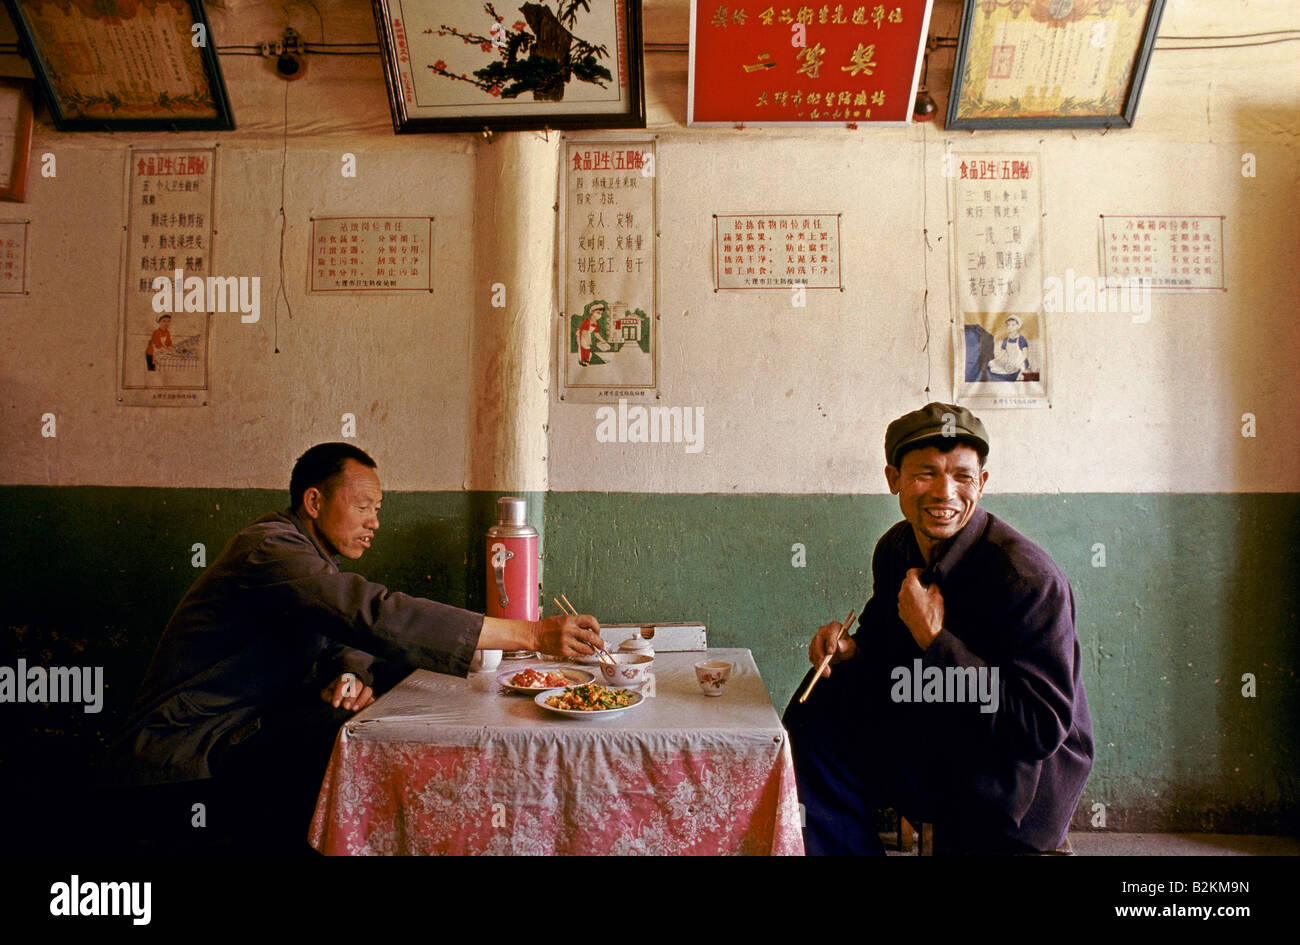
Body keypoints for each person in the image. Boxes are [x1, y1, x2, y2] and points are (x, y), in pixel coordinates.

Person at [111, 442, 603, 853]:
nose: (374, 522)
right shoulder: (269, 550)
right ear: (313, 501)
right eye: (363, 505)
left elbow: (343, 631)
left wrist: (350, 673)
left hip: (242, 734)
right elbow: (369, 612)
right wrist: (534, 634)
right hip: (182, 752)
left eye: (378, 509)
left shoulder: (310, 555)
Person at [783, 403, 1092, 855]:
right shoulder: (896, 548)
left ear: (981, 484)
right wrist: (850, 652)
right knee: (815, 709)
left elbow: (1038, 729)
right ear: (894, 480)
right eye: (925, 473)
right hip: (937, 729)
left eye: (962, 477)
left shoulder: (1026, 578)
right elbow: (885, 651)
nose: (944, 493)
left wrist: (936, 640)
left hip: (1017, 778)